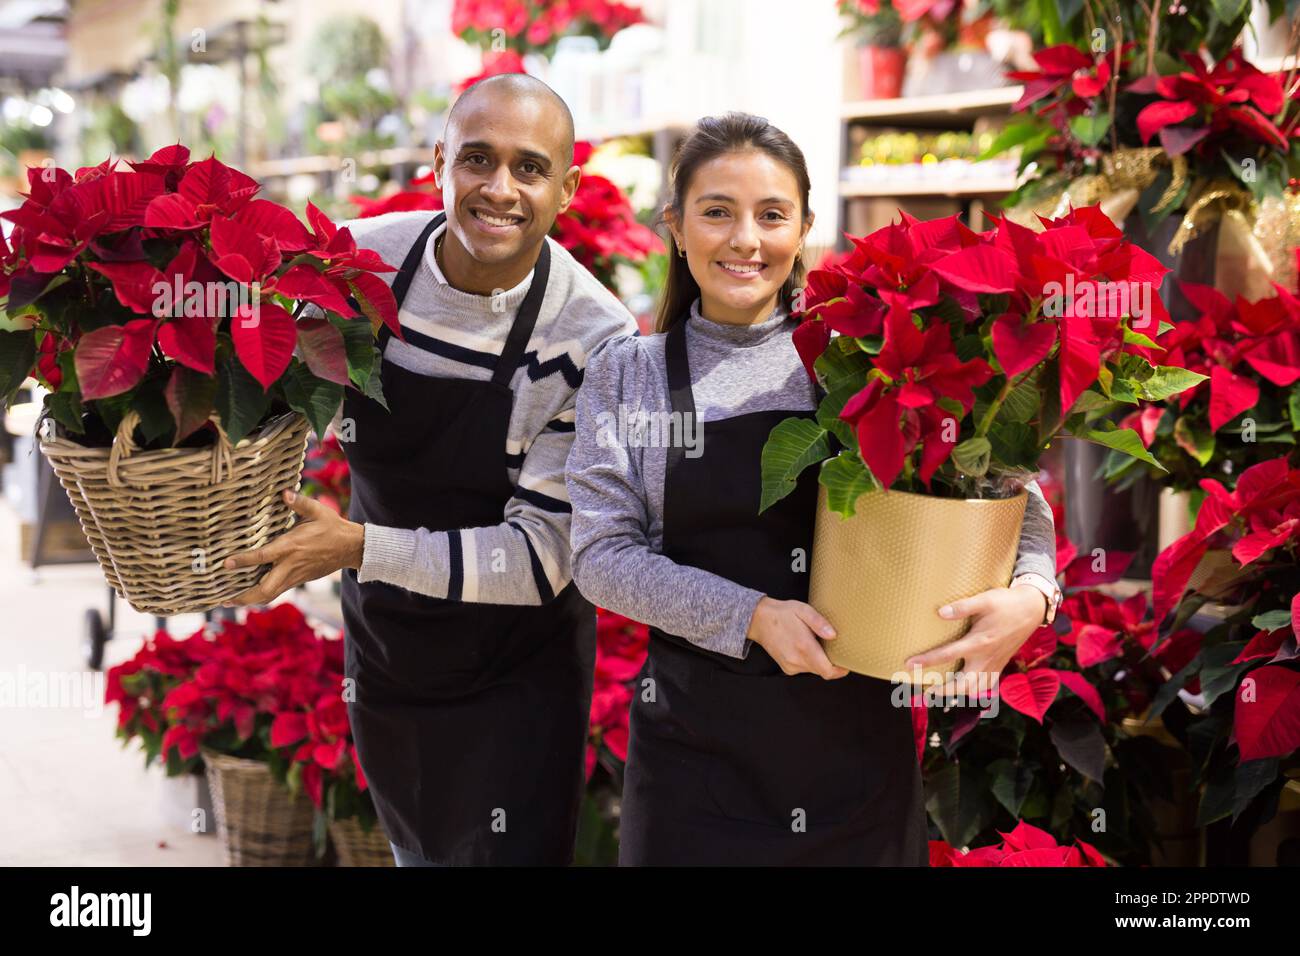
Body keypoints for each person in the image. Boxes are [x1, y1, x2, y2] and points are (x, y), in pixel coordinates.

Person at [565, 112, 1060, 866]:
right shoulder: (627, 374)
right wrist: (754, 616)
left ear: (804, 228)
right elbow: (601, 555)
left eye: (771, 215)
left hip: (854, 766)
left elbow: (1013, 495)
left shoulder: (857, 355)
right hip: (693, 770)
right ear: (675, 226)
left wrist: (1034, 594)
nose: (745, 241)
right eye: (716, 212)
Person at [223, 74, 637, 866]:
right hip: (389, 641)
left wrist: (354, 548)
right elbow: (249, 355)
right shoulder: (361, 263)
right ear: (440, 161)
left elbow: (545, 556)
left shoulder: (593, 337)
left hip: (516, 667)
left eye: (529, 168)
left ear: (567, 188)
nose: (500, 189)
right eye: (477, 159)